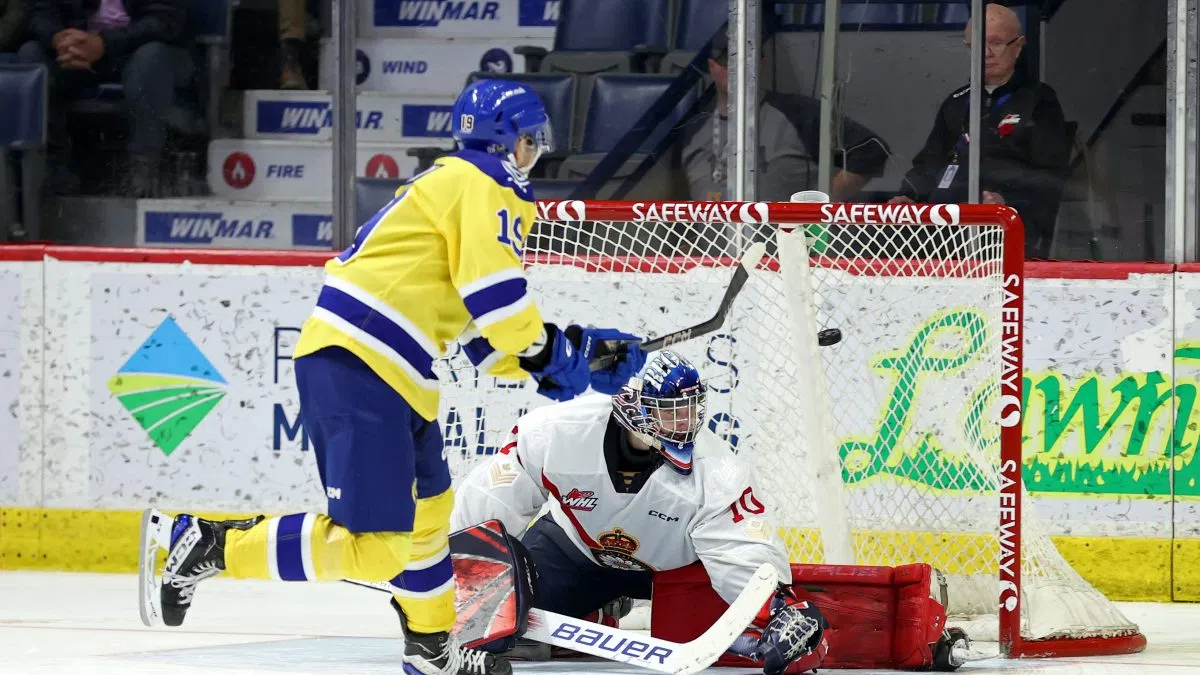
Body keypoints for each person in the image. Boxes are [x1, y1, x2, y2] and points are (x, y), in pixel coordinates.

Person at [140, 80, 648, 675]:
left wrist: (577, 357)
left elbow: (484, 340)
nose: (536, 154)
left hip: (388, 368)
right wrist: (552, 353)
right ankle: (203, 542)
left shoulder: (452, 183)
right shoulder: (488, 184)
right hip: (361, 362)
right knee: (376, 544)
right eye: (533, 142)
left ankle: (432, 652)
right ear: (513, 143)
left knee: (429, 519)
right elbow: (503, 309)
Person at [451, 351, 829, 675]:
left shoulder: (717, 471)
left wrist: (779, 606)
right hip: (576, 550)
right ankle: (595, 613)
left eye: (690, 409)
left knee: (722, 632)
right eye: (671, 412)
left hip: (673, 571)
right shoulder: (554, 433)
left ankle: (599, 604)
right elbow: (491, 501)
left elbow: (742, 548)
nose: (686, 423)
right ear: (633, 407)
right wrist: (464, 578)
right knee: (502, 622)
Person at [888, 3, 1071, 258]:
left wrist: (1008, 204)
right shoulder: (956, 102)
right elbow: (928, 164)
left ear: (1018, 47)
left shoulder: (1039, 101)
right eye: (977, 44)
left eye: (996, 43)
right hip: (941, 237)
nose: (985, 53)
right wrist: (907, 196)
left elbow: (1050, 178)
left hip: (1004, 238)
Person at [682, 30, 890, 203]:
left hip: (787, 249)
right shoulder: (694, 128)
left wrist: (816, 207)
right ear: (711, 66)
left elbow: (871, 150)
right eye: (727, 60)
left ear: (761, 64)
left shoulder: (797, 112)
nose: (737, 68)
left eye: (747, 58)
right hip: (712, 252)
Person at [18, 0, 193, 197]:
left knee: (150, 57)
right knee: (32, 54)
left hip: (143, 49)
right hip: (77, 51)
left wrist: (104, 43)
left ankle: (144, 170)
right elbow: (38, 13)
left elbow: (164, 21)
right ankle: (52, 168)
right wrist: (58, 39)